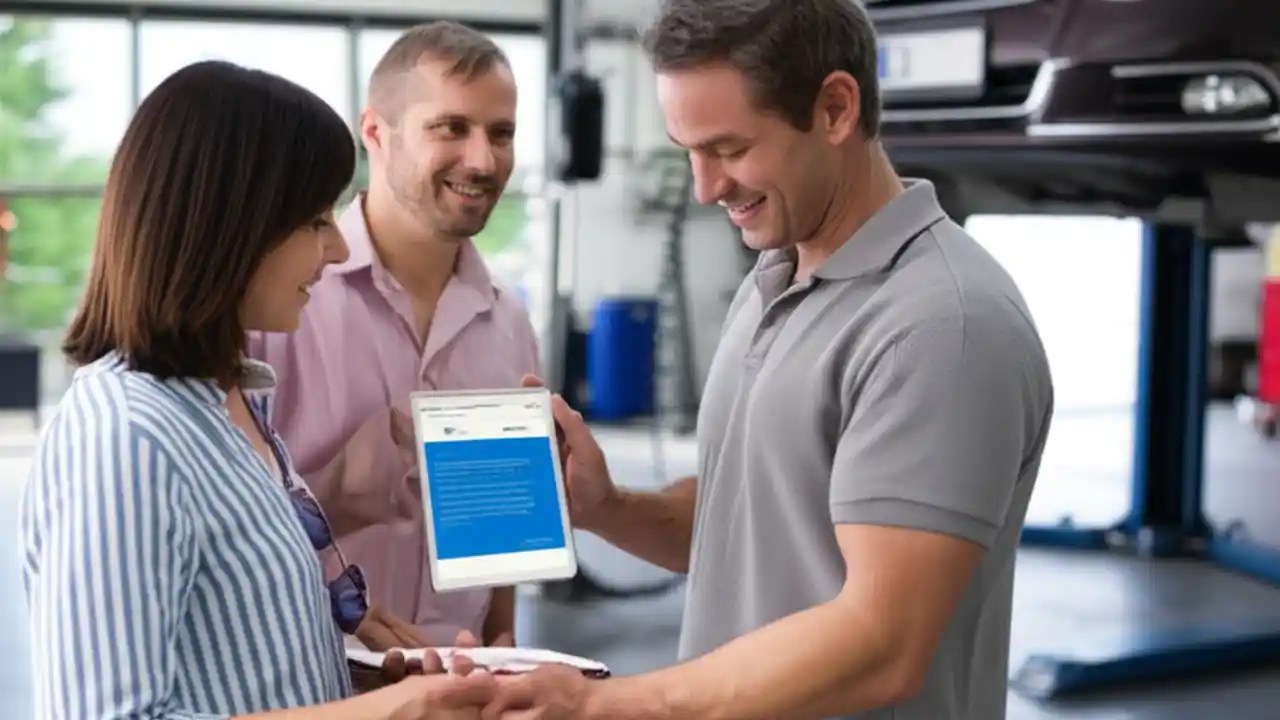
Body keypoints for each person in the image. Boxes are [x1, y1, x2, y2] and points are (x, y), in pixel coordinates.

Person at [482, 1, 1055, 719]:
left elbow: (884, 642)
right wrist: (608, 509)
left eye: (728, 148)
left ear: (836, 108)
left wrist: (608, 705)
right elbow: (748, 528)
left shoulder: (942, 326)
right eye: (686, 151)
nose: (704, 187)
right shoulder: (775, 278)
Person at [19, 60, 495, 719]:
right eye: (313, 220)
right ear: (227, 227)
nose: (333, 249)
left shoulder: (232, 412)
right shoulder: (126, 434)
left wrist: (365, 683)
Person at [247, 21, 538, 649]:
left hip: (459, 680)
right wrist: (339, 496)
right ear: (375, 133)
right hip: (316, 682)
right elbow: (217, 533)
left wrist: (503, 646)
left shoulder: (508, 320)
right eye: (451, 128)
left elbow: (500, 536)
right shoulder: (276, 298)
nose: (483, 160)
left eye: (501, 133)